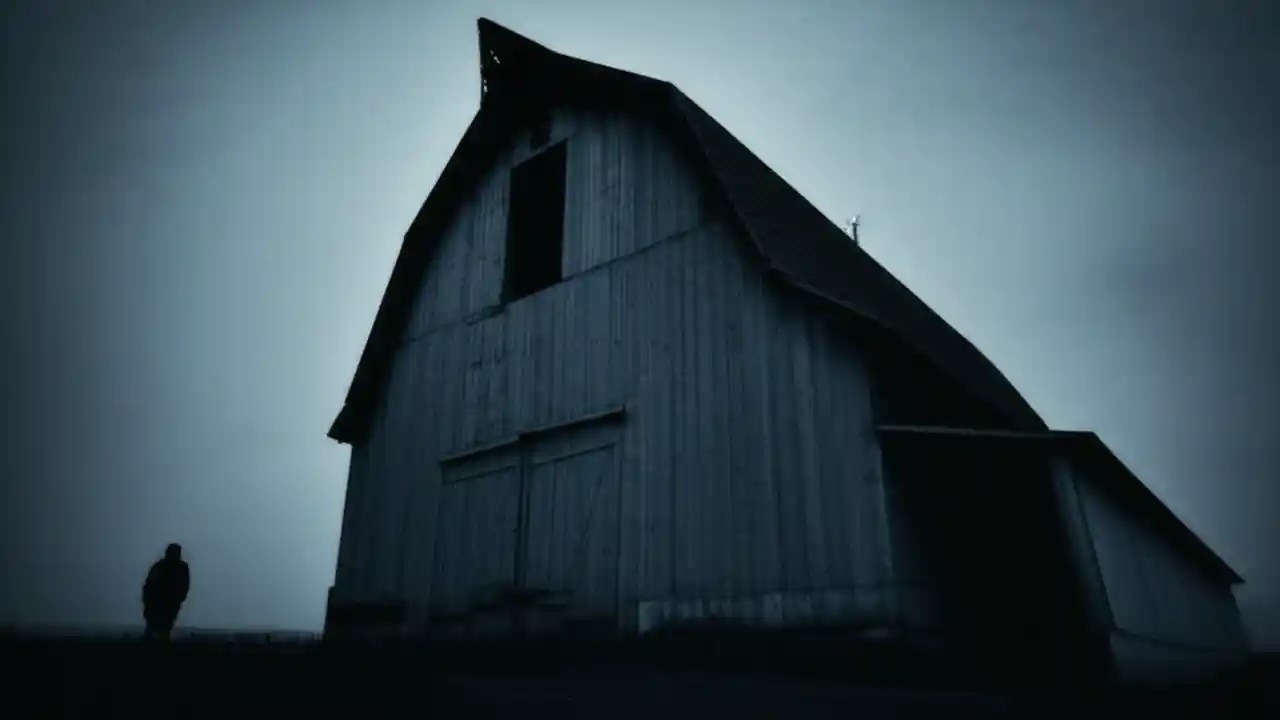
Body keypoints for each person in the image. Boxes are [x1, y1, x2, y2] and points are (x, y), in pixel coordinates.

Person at [142, 543, 190, 641]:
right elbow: (150, 585)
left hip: (168, 604)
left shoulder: (181, 568)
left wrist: (177, 599)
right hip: (157, 603)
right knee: (154, 629)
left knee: (163, 629)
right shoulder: (161, 567)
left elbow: (184, 586)